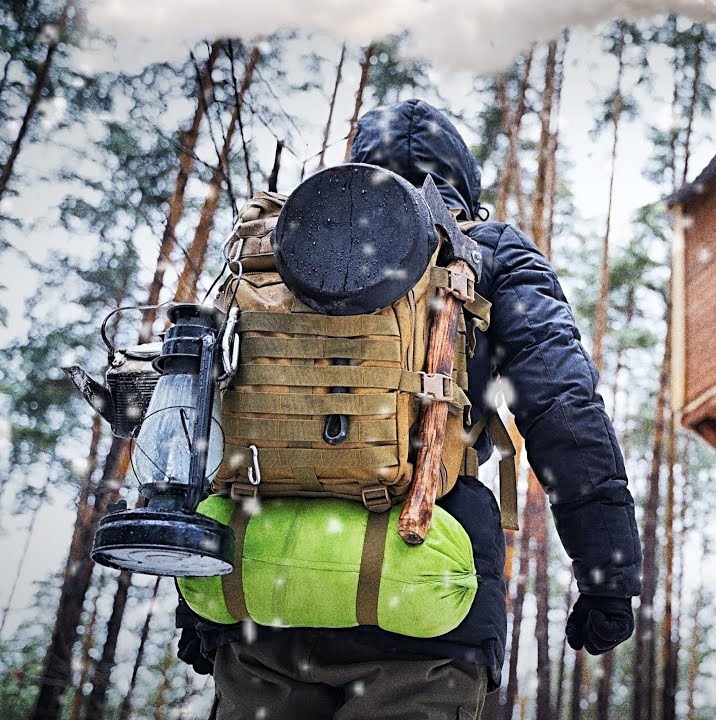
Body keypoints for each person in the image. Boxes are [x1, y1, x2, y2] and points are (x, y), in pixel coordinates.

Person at [177, 99, 643, 719]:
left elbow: (207, 402)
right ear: (464, 181)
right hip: (423, 584)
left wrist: (192, 582)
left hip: (260, 581)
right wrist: (608, 573)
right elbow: (563, 406)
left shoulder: (286, 240)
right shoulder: (489, 250)